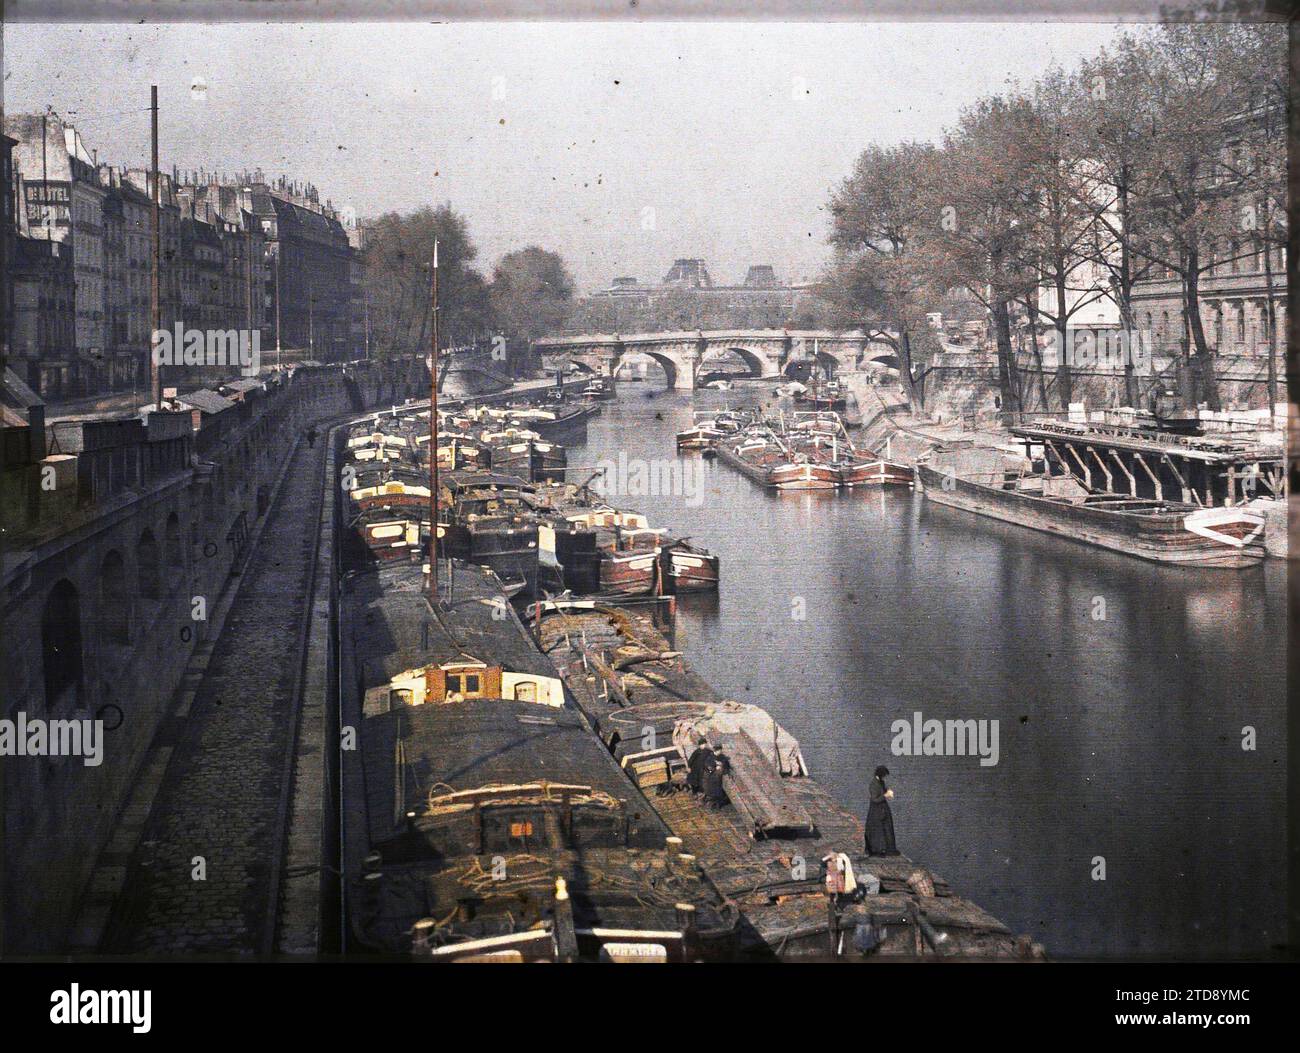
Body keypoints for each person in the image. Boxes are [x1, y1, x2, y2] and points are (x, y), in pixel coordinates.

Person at [864, 765, 899, 856]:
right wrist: (885, 796)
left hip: (883, 809)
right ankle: (877, 850)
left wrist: (888, 791)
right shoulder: (873, 784)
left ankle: (888, 849)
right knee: (878, 831)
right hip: (876, 810)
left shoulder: (881, 782)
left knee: (887, 828)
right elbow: (874, 799)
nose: (884, 777)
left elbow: (884, 790)